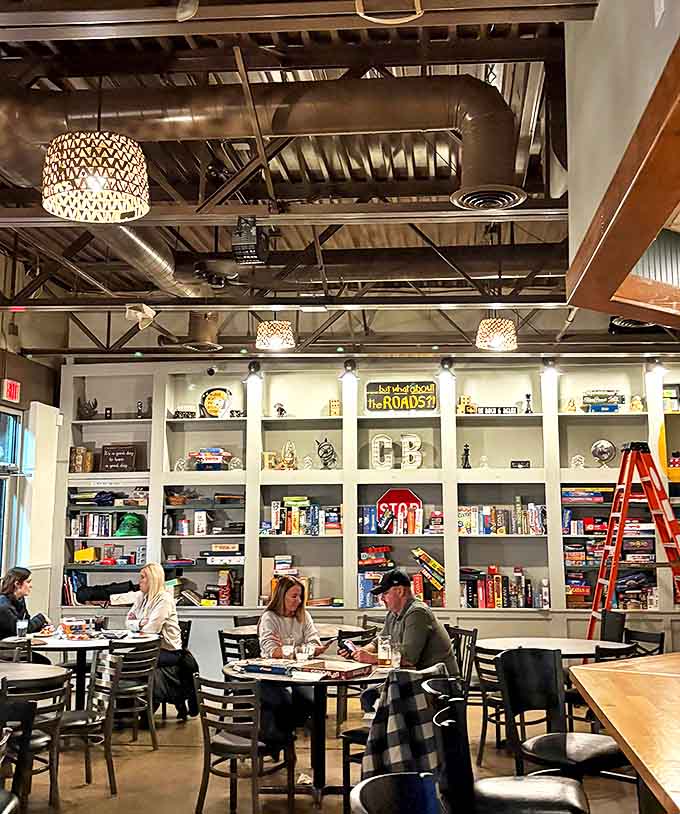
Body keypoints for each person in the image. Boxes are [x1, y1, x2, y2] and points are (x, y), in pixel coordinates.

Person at [341, 569, 457, 708]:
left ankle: (394, 730)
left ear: (400, 591)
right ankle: (388, 729)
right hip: (416, 677)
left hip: (438, 682)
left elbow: (408, 659)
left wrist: (370, 658)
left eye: (385, 593)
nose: (382, 599)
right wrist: (358, 652)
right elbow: (378, 642)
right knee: (369, 695)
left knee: (372, 697)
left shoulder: (417, 613)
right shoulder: (393, 613)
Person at [257, 576, 329, 743]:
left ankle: (287, 739)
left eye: (300, 596)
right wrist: (302, 650)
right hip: (272, 674)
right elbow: (272, 650)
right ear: (282, 596)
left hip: (299, 673)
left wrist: (290, 650)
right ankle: (279, 742)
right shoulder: (269, 617)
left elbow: (313, 641)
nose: (298, 601)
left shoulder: (304, 615)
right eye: (294, 596)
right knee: (282, 702)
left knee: (312, 701)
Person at [127, 562, 198, 720]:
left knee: (133, 664)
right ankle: (128, 709)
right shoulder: (141, 597)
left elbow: (152, 629)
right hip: (148, 647)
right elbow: (128, 620)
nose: (139, 581)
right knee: (123, 662)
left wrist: (141, 624)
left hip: (170, 651)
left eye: (143, 577)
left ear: (153, 579)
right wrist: (140, 623)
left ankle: (145, 711)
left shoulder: (164, 599)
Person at [0, 567, 49, 639]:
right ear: (17, 584)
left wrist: (43, 628)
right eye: (28, 582)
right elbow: (21, 629)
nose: (31, 586)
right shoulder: (3, 606)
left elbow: (27, 623)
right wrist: (42, 618)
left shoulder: (19, 600)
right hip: (5, 648)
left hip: (16, 645)